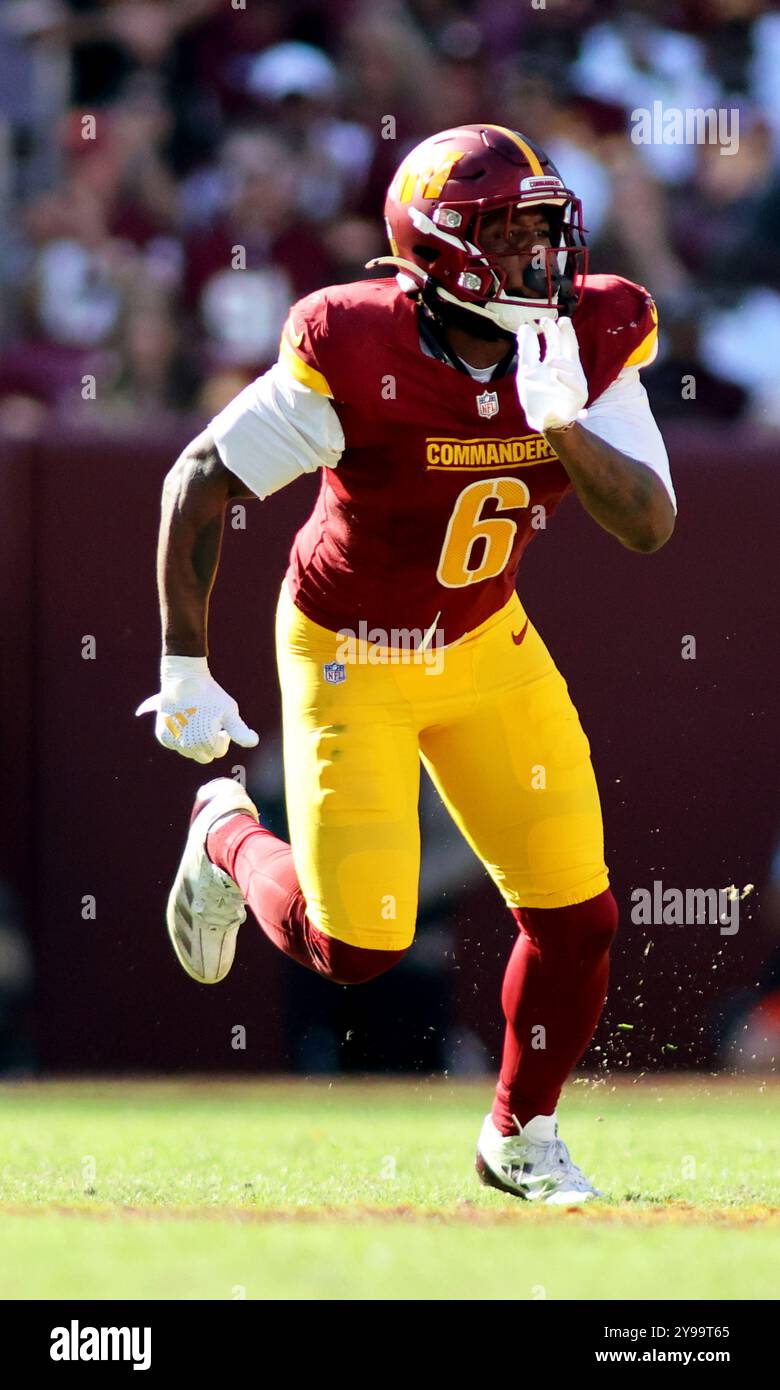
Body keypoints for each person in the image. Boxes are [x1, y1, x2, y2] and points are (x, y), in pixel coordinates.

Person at [138, 124, 676, 1203]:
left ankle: (519, 1136)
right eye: (512, 235)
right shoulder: (355, 343)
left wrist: (561, 420)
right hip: (351, 653)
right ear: (443, 252)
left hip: (485, 638)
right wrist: (185, 664)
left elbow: (650, 523)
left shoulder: (593, 326)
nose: (543, 256)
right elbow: (200, 482)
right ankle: (227, 832)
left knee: (579, 916)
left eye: (545, 228)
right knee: (359, 947)